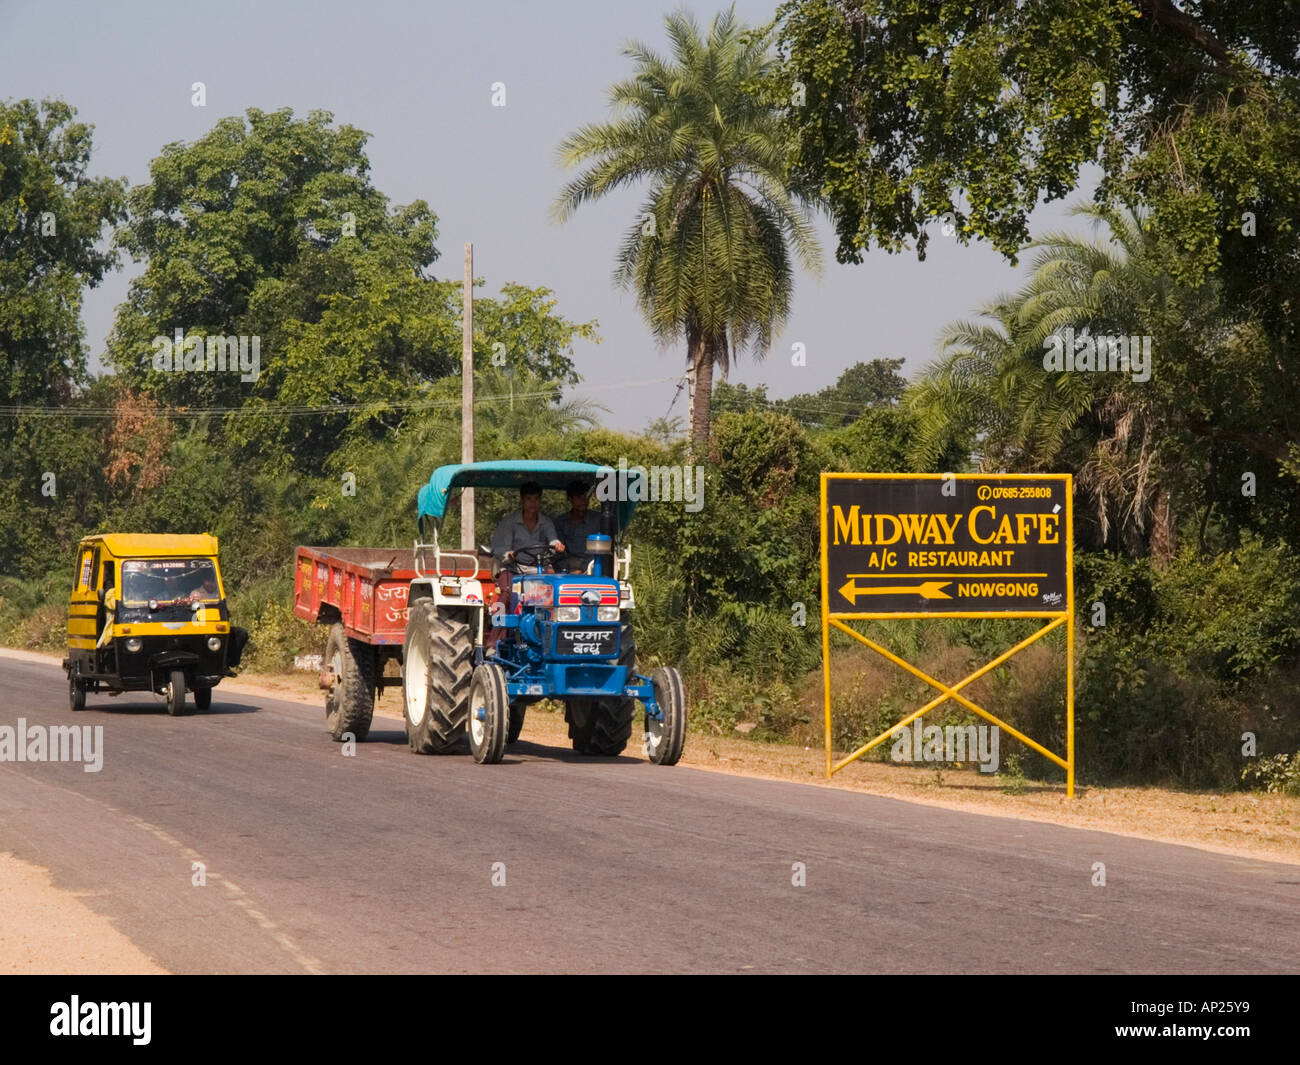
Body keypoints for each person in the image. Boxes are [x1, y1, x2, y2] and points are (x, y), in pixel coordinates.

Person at [554, 480, 602, 573]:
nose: (583, 500)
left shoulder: (598, 520)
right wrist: (570, 570)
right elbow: (559, 552)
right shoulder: (560, 522)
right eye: (578, 497)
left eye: (586, 497)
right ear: (570, 499)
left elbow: (602, 549)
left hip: (593, 567)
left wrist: (584, 569)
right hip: (567, 569)